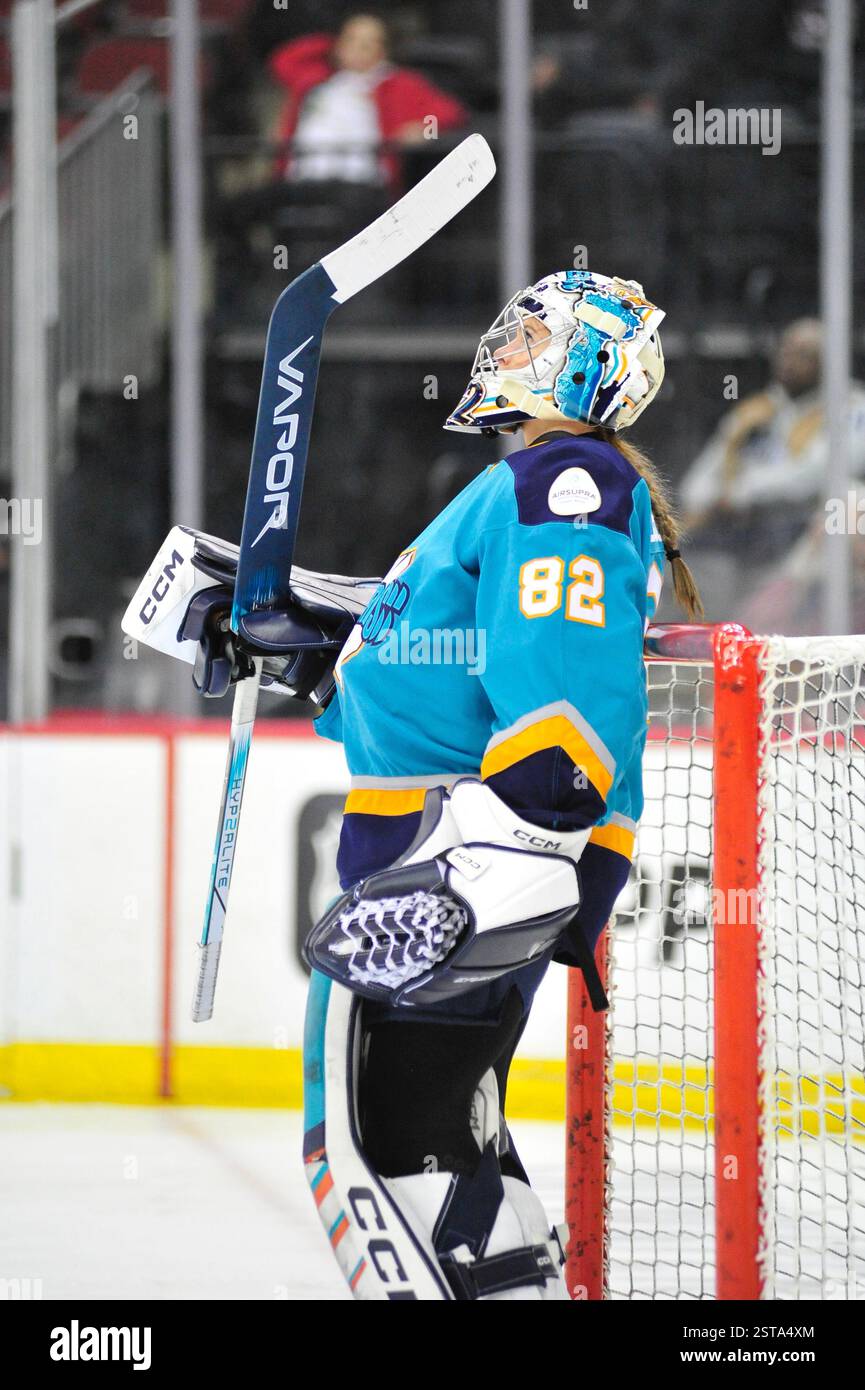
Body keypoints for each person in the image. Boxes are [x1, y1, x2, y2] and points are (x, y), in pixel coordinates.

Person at [182, 270, 702, 1299]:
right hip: (449, 848)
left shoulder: (565, 482)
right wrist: (299, 649)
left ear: (581, 365)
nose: (501, 349)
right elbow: (428, 673)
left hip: (461, 858)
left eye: (529, 338)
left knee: (388, 1153)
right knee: (437, 1142)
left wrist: (511, 856)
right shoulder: (523, 486)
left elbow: (564, 691)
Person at [678, 318, 865, 621]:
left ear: (828, 360)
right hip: (738, 528)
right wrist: (711, 499)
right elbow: (701, 478)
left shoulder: (852, 407)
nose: (790, 361)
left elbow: (816, 473)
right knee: (685, 554)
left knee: (849, 503)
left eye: (804, 354)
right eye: (787, 351)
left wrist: (741, 492)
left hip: (802, 525)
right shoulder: (756, 410)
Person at [269, 12, 468, 191]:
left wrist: (424, 129)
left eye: (369, 42)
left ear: (384, 50)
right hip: (299, 180)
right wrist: (330, 42)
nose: (359, 48)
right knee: (245, 206)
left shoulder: (400, 83)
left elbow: (449, 113)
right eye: (352, 40)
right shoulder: (315, 78)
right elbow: (282, 61)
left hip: (361, 184)